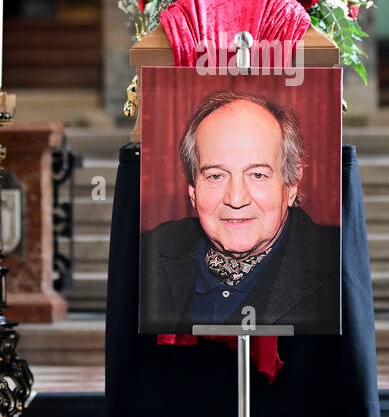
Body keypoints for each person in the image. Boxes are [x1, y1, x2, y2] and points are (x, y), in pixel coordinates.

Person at [140, 90, 340, 335]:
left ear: (291, 185)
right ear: (192, 190)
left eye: (258, 175)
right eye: (216, 176)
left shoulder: (338, 269)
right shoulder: (147, 256)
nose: (236, 199)